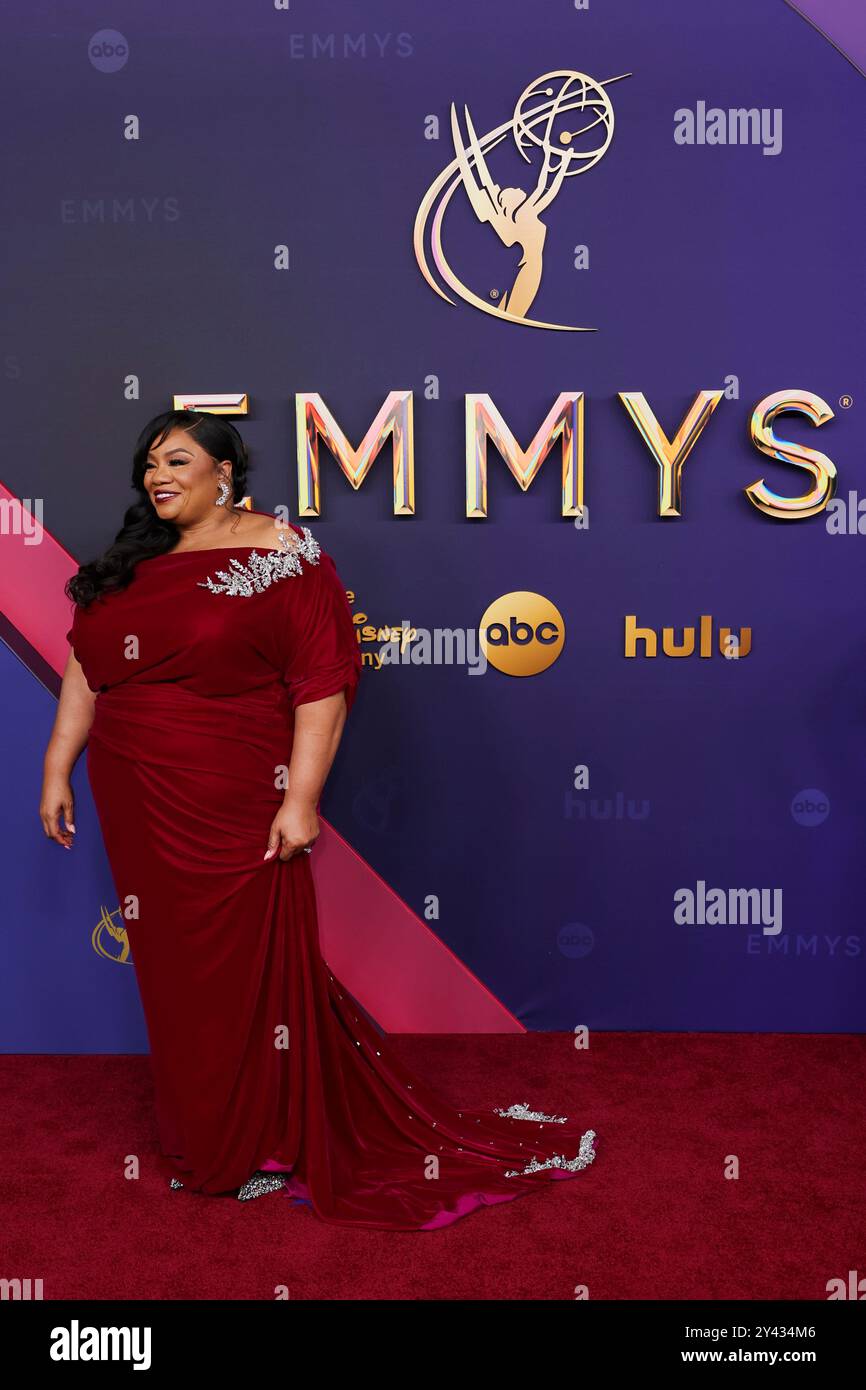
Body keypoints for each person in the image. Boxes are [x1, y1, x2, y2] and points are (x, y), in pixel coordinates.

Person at [40, 409, 597, 1230]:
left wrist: (299, 799)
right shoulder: (132, 564)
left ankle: (264, 1138)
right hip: (134, 795)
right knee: (174, 974)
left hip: (234, 794)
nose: (158, 475)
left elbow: (321, 686)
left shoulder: (286, 553)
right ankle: (205, 1135)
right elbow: (88, 670)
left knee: (242, 966)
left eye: (178, 460)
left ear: (224, 470)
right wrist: (59, 767)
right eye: (149, 463)